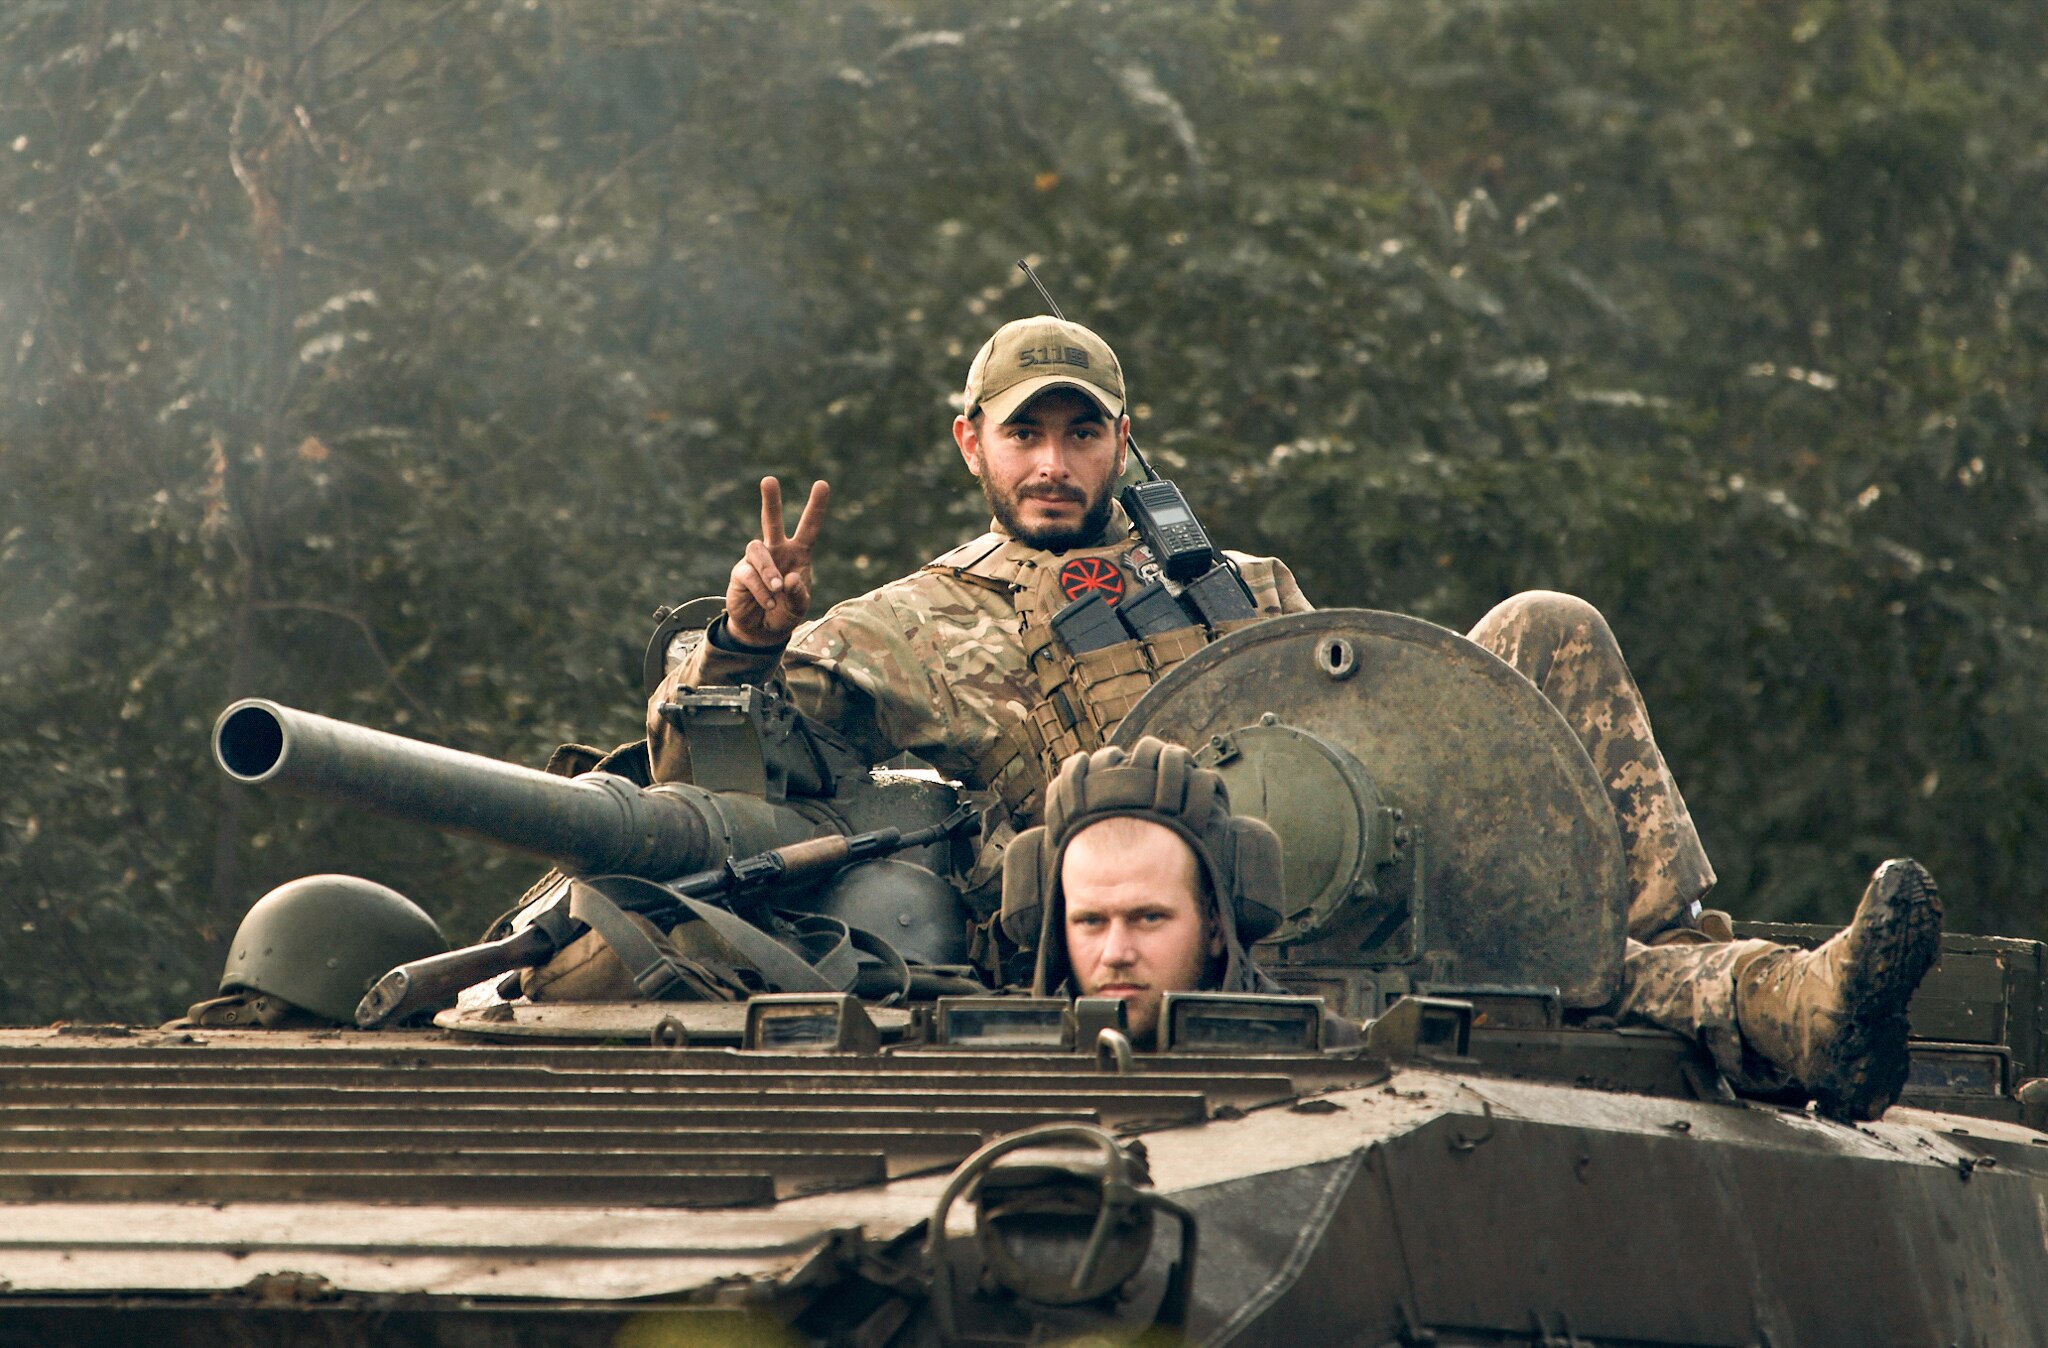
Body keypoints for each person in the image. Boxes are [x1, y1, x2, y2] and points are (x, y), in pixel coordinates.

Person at [647, 312, 1941, 1118]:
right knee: (1550, 974)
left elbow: (1361, 732)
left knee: (1545, 623)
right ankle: (1769, 1002)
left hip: (1342, 879)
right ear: (968, 444)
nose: (1051, 461)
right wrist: (746, 640)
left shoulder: (1244, 587)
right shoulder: (910, 621)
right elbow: (722, 770)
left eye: (1077, 431)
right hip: (1151, 936)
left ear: (1122, 438)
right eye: (1022, 433)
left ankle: (1657, 940)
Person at [1001, 735, 1355, 1048]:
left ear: (1215, 926)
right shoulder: (1002, 1054)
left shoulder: (1334, 1059)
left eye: (1149, 917)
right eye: (1091, 921)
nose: (1115, 954)